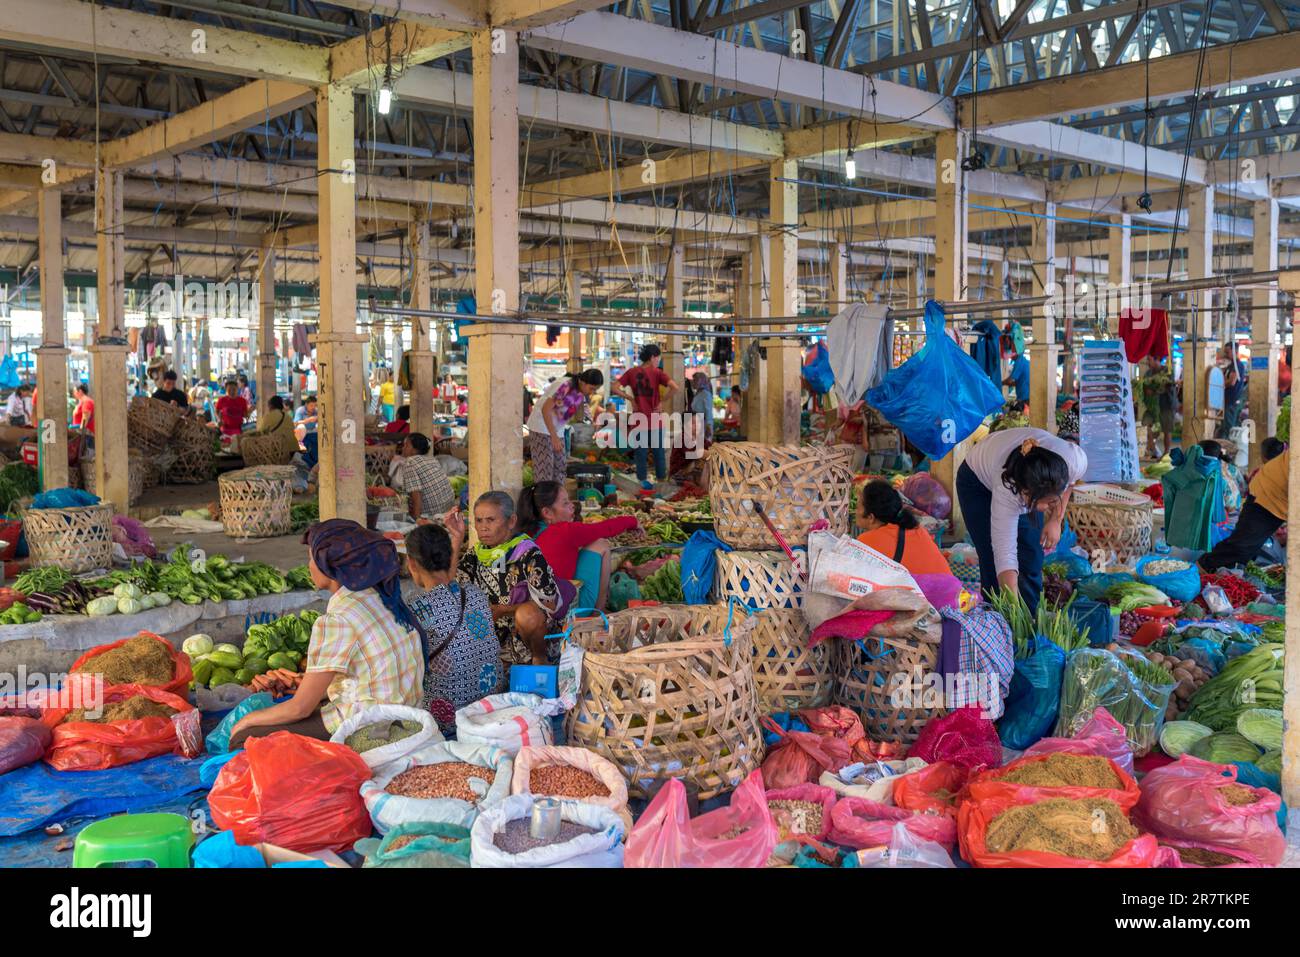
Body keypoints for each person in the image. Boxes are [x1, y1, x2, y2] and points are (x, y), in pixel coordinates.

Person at [227, 519, 425, 748]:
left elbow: (300, 708)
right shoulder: (380, 595)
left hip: (371, 729)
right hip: (406, 715)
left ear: (329, 566)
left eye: (311, 558)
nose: (308, 565)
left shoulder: (338, 619)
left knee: (244, 739)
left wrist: (246, 721)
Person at [956, 428, 1088, 614]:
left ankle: (1031, 619)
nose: (1042, 509)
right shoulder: (1008, 491)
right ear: (1024, 491)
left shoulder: (1073, 460)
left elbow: (1070, 484)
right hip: (976, 481)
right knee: (992, 561)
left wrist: (1055, 521)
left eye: (1049, 502)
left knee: (1031, 554)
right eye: (1037, 503)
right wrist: (1013, 609)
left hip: (1029, 477)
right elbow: (1005, 555)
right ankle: (999, 621)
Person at [446, 492, 567, 675]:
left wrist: (504, 609)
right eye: (479, 521)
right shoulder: (477, 554)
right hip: (492, 634)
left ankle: (540, 662)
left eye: (491, 520)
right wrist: (456, 538)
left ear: (511, 521)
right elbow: (449, 589)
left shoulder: (527, 553)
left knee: (527, 615)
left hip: (529, 635)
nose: (483, 527)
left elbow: (549, 603)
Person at [406, 523, 501, 733]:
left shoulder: (415, 608)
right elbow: (448, 587)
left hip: (450, 718)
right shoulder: (475, 593)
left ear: (411, 563)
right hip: (489, 702)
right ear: (450, 559)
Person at [518, 481, 638, 611]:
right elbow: (606, 528)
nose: (572, 506)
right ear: (547, 513)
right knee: (601, 544)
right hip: (564, 611)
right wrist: (634, 521)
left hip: (532, 610)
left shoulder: (526, 532)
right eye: (565, 503)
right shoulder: (565, 531)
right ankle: (597, 612)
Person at [1198, 450, 1289, 572]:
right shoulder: (1224, 471)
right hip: (1268, 495)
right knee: (1241, 547)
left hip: (1281, 498)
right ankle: (1201, 569)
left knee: (1247, 547)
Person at [613, 343, 680, 489]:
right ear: (652, 357)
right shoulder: (658, 373)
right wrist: (662, 401)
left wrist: (630, 398)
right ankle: (662, 485)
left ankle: (641, 486)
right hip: (655, 420)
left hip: (639, 421)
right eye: (657, 358)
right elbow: (675, 387)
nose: (658, 361)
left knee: (641, 456)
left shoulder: (631, 372)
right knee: (659, 455)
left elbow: (614, 387)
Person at [854, 480, 951, 577]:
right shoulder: (917, 529)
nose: (855, 511)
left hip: (927, 591)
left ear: (871, 517)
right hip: (953, 590)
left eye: (857, 507)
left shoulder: (866, 541)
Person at [526, 368, 604, 484]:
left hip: (556, 430)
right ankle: (544, 500)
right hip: (541, 427)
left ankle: (558, 498)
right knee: (545, 471)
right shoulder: (566, 385)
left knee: (560, 467)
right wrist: (554, 436)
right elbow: (545, 409)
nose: (592, 392)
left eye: (595, 389)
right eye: (591, 388)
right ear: (583, 382)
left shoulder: (579, 393)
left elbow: (568, 414)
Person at [396, 432, 455, 520]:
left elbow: (416, 494)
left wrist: (417, 520)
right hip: (448, 507)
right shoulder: (431, 459)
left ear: (414, 450)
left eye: (406, 445)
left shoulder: (410, 462)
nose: (403, 448)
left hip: (432, 514)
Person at [1139, 356, 1177, 458]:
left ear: (1157, 359)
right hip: (1152, 407)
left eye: (1149, 359)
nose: (1147, 362)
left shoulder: (1167, 371)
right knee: (1146, 423)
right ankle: (1153, 449)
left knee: (1166, 429)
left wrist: (1155, 391)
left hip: (1167, 405)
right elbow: (1144, 387)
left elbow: (1168, 387)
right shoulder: (1148, 373)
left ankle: (1166, 453)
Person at [1218, 344, 1247, 436]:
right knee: (1227, 426)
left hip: (1232, 400)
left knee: (1228, 428)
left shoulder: (1237, 365)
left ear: (1235, 351)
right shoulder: (1231, 365)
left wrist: (1219, 385)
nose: (1226, 354)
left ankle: (1229, 449)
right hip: (1229, 400)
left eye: (1227, 352)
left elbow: (1231, 381)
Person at [689, 371, 714, 443]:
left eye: (695, 380)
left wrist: (708, 426)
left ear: (701, 381)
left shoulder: (706, 394)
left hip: (704, 425)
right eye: (693, 380)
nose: (693, 382)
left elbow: (709, 411)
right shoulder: (698, 394)